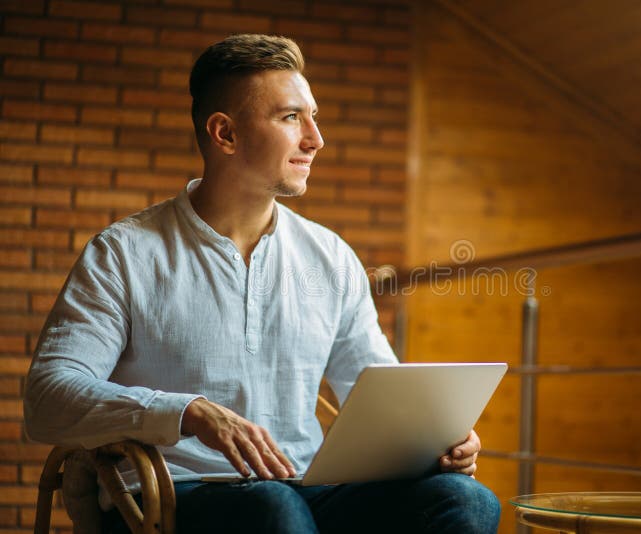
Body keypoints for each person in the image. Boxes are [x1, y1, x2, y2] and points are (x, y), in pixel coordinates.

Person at [23, 34, 500, 533]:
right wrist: (189, 412)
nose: (315, 139)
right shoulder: (123, 253)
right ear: (224, 134)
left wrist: (435, 439)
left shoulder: (330, 257)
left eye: (313, 117)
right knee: (274, 510)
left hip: (308, 488)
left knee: (466, 501)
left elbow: (381, 389)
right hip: (171, 497)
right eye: (292, 117)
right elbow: (48, 398)